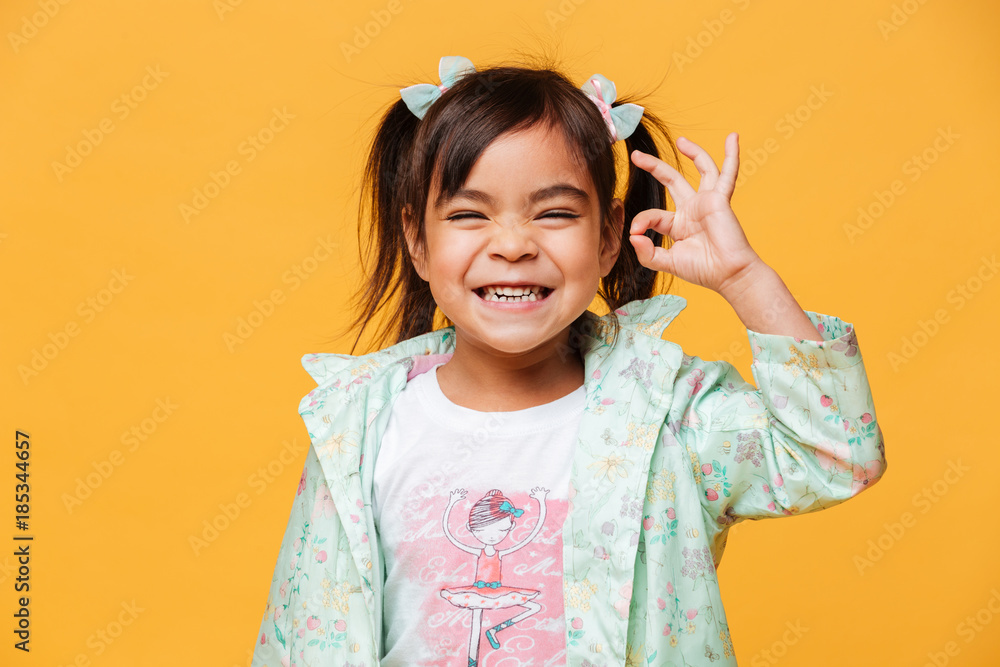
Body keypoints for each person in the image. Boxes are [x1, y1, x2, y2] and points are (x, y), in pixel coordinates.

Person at [250, 55, 887, 667]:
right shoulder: (359, 425)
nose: (513, 245)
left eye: (553, 214)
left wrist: (745, 278)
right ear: (417, 240)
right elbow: (295, 633)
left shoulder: (668, 412)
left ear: (610, 236)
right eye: (470, 215)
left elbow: (834, 454)